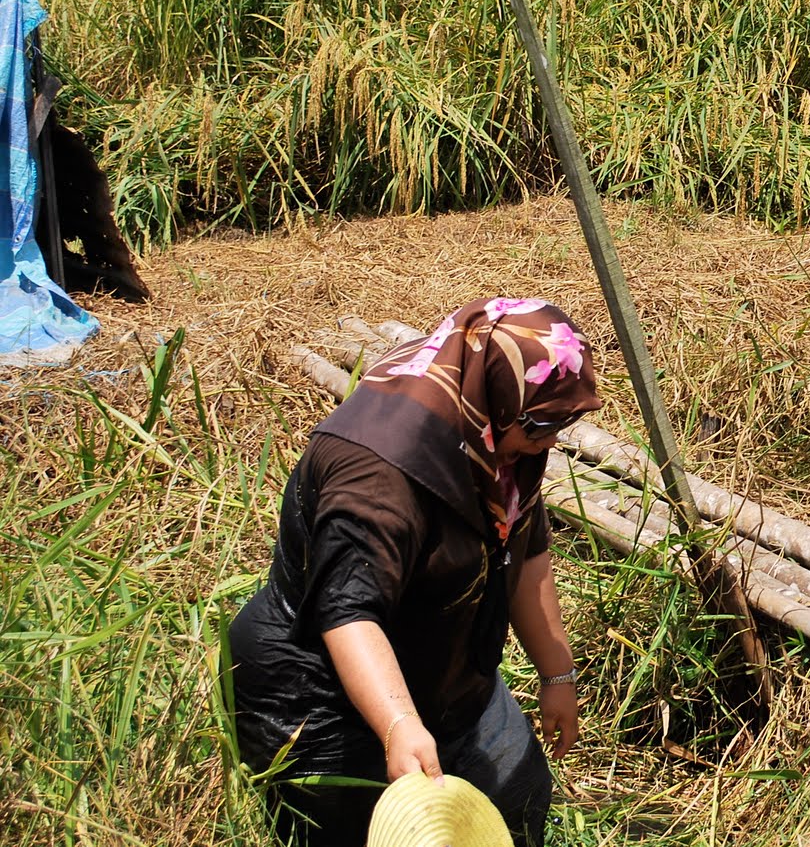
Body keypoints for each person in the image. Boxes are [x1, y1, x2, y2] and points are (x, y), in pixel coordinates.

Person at [228, 297, 603, 846]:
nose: (552, 438)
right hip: (322, 693)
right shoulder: (382, 468)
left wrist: (558, 676)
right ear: (496, 393)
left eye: (567, 421)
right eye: (544, 422)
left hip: (445, 670)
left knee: (518, 803)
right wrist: (398, 725)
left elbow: (526, 554)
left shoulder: (498, 436)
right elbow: (347, 611)